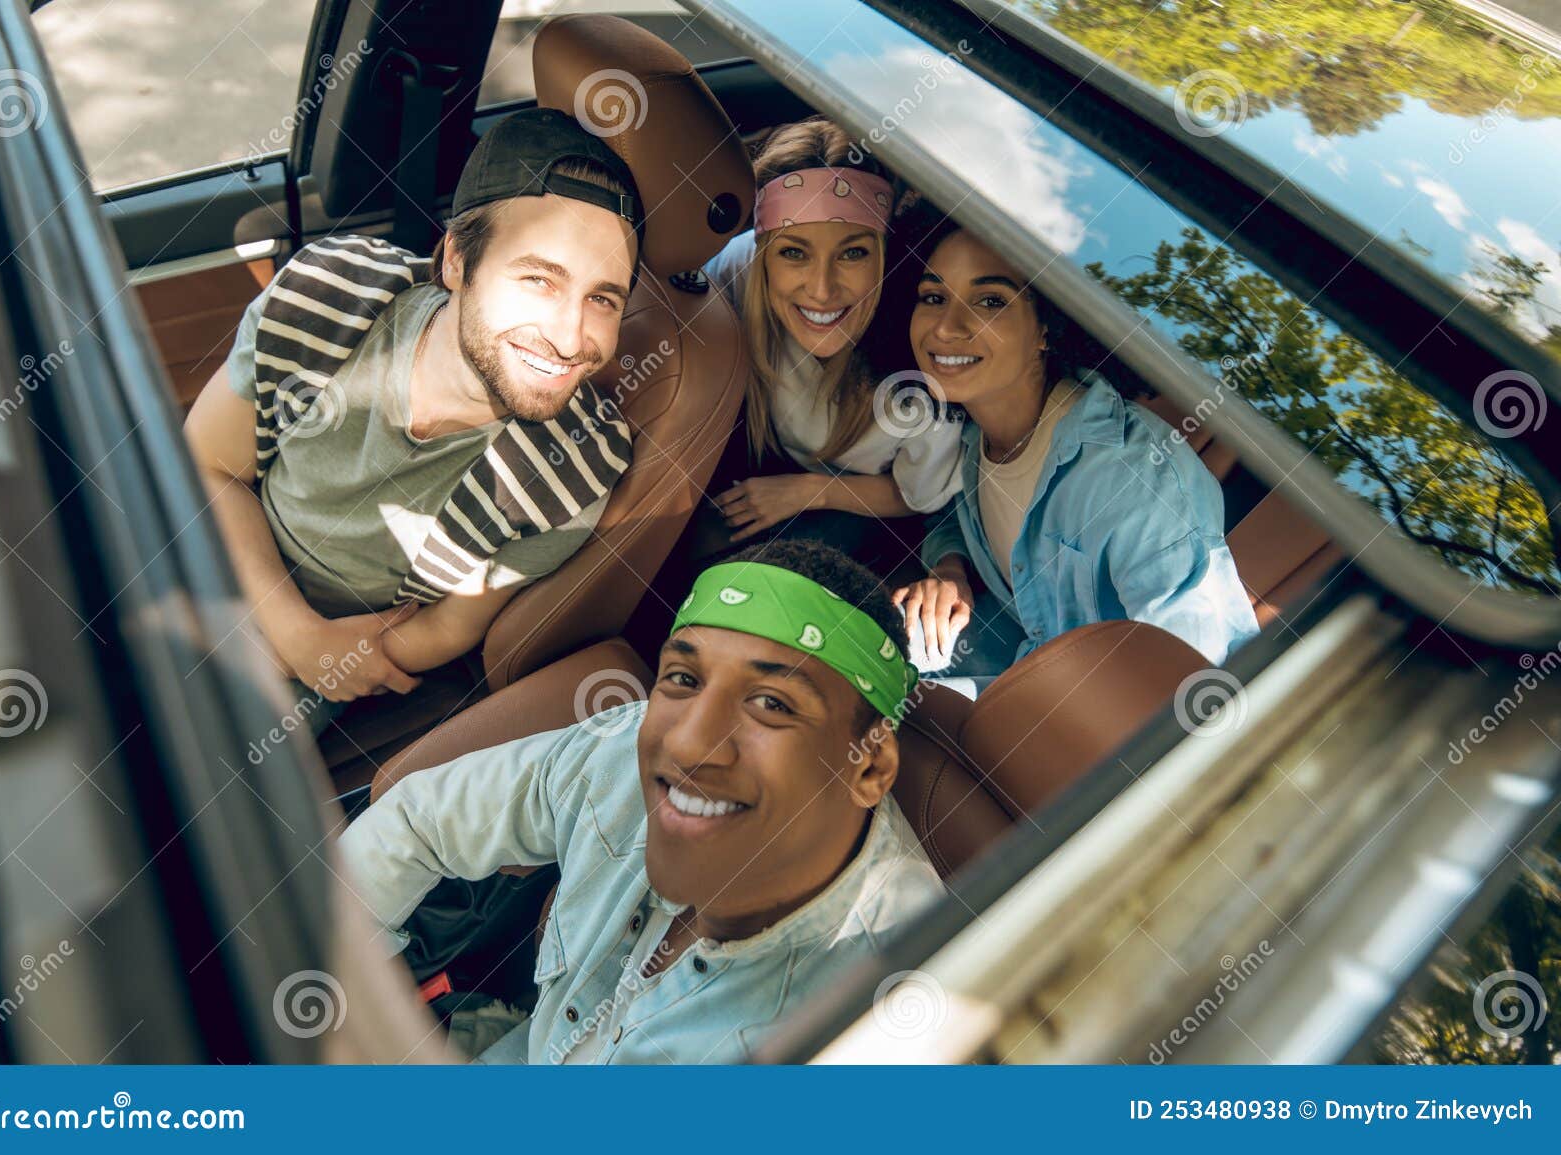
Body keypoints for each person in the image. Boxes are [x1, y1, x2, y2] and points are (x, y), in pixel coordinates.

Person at [339, 539, 943, 1064]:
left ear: (869, 766)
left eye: (772, 704)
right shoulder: (622, 747)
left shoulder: (885, 1023)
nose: (687, 740)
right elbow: (420, 820)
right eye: (683, 679)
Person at [184, 109, 644, 734]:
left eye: (603, 299)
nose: (570, 338)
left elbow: (449, 625)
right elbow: (208, 469)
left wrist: (322, 658)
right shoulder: (329, 297)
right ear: (457, 261)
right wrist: (289, 631)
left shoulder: (573, 467)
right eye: (538, 279)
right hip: (211, 549)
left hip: (341, 649)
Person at [892, 216, 1259, 691]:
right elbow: (952, 516)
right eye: (934, 298)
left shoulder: (1135, 483)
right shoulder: (962, 435)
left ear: (1046, 327)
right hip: (1017, 668)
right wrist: (950, 568)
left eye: (989, 302)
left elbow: (1191, 680)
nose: (946, 327)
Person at [698, 118, 962, 574]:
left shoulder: (919, 356)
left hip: (867, 514)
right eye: (794, 253)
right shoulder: (739, 271)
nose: (822, 290)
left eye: (853, 253)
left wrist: (806, 491)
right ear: (764, 255)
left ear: (885, 253)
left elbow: (920, 494)